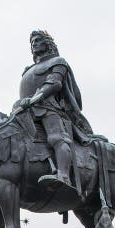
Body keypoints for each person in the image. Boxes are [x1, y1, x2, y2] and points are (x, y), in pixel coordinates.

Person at [15, 30, 94, 191]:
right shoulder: (28, 69)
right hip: (24, 110)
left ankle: (63, 175)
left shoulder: (58, 62)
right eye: (32, 42)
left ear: (47, 44)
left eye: (38, 40)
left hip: (48, 108)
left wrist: (34, 99)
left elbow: (55, 83)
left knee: (56, 137)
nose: (34, 44)